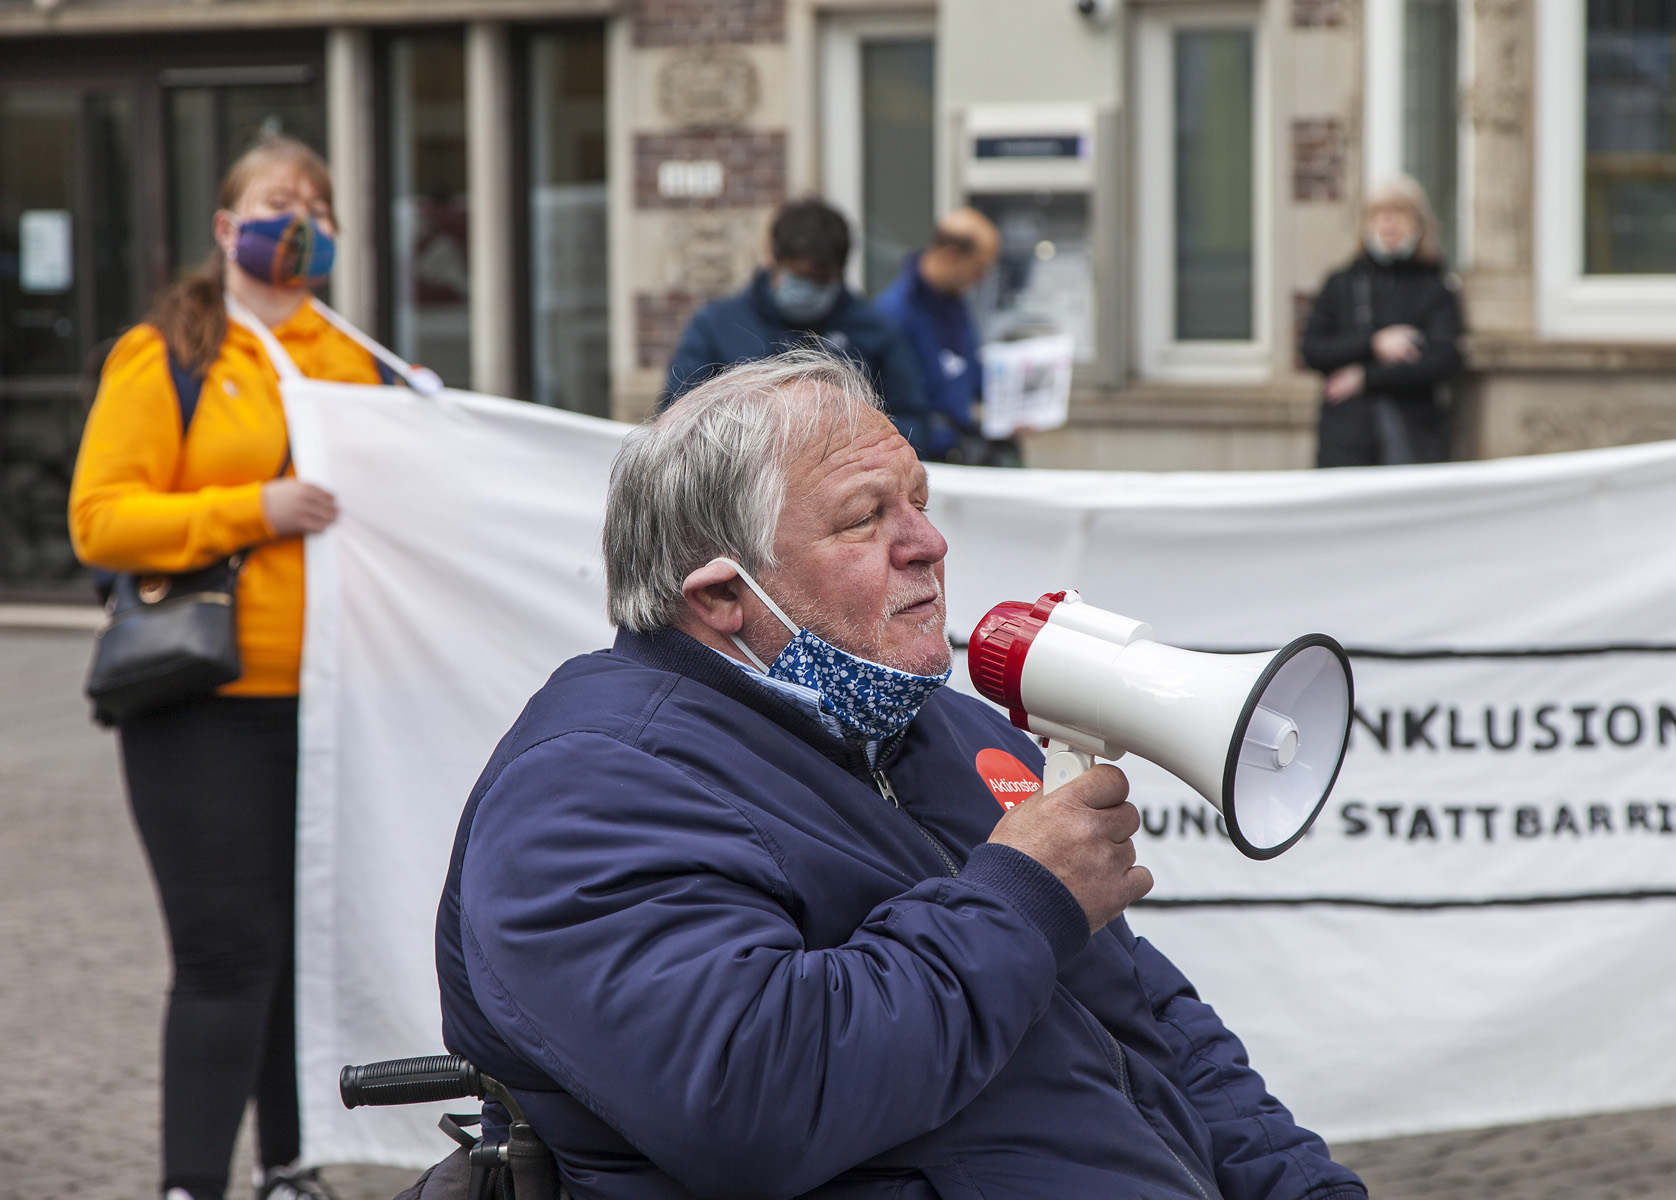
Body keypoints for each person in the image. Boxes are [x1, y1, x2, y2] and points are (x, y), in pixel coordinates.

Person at [436, 349, 1368, 1200]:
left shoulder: (950, 733)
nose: (928, 542)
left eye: (919, 501)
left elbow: (1151, 1021)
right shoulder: (587, 789)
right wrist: (1022, 897)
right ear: (721, 595)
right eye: (864, 518)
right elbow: (751, 1096)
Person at [69, 135, 389, 1200]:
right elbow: (101, 520)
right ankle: (191, 1184)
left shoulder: (360, 363)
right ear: (225, 227)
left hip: (336, 702)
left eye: (316, 206)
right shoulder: (168, 351)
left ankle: (286, 1169)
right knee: (225, 953)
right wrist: (255, 509)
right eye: (275, 201)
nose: (298, 220)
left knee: (300, 955)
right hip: (203, 700)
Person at [661, 197, 930, 454]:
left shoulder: (874, 330)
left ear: (840, 271)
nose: (808, 289)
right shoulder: (716, 326)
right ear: (772, 257)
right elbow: (678, 420)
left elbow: (912, 422)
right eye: (799, 277)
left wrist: (851, 445)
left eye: (821, 280)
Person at [1302, 174, 1464, 467]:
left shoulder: (1434, 287)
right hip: (1346, 442)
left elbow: (1442, 360)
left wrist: (1366, 378)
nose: (1389, 224)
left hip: (1411, 437)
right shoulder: (1342, 283)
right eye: (1379, 214)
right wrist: (1373, 344)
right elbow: (1312, 349)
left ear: (1418, 224)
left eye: (1399, 214)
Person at [875, 208, 1017, 466]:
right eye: (979, 268)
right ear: (951, 256)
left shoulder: (954, 303)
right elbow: (899, 405)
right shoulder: (895, 314)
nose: (982, 279)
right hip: (924, 458)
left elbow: (969, 374)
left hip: (959, 448)